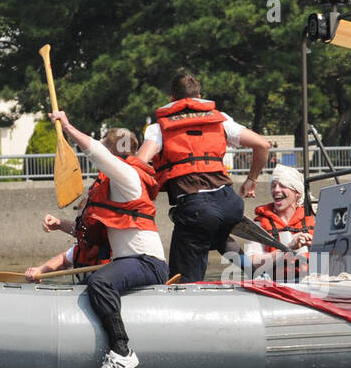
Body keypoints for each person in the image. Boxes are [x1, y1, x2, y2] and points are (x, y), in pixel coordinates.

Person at [31, 113, 166, 368]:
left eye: (107, 145)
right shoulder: (112, 185)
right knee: (95, 281)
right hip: (131, 261)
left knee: (101, 282)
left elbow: (94, 151)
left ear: (115, 151)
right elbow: (88, 236)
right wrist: (60, 225)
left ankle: (122, 351)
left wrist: (68, 127)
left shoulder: (127, 175)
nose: (102, 150)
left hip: (147, 262)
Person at [137, 71, 272, 283]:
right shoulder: (221, 120)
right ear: (200, 95)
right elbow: (263, 144)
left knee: (182, 278)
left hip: (196, 209)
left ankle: (189, 294)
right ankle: (258, 275)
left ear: (172, 99)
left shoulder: (158, 129)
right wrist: (251, 180)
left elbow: (140, 163)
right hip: (231, 203)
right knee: (216, 233)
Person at [31, 129, 140, 279]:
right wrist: (60, 223)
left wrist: (66, 125)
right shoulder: (86, 243)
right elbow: (80, 235)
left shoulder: (125, 183)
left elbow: (88, 229)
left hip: (121, 268)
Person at [227, 164, 314, 280]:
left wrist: (316, 246)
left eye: (283, 186)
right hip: (276, 285)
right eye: (273, 186)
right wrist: (287, 248)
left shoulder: (314, 218)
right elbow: (251, 262)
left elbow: (336, 255)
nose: (276, 190)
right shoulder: (260, 223)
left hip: (311, 282)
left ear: (297, 192)